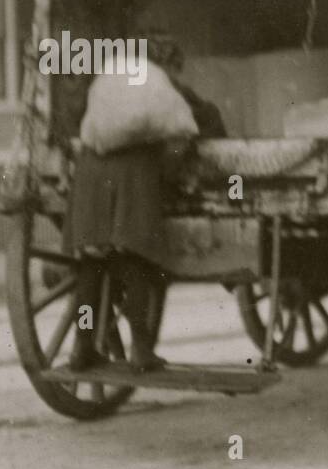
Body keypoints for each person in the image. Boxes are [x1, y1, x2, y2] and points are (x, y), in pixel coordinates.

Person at [65, 34, 224, 373]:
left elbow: (80, 118)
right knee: (136, 260)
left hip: (90, 173)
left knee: (91, 266)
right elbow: (198, 125)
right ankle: (141, 349)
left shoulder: (111, 76)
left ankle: (82, 348)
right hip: (131, 175)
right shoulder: (162, 87)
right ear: (166, 63)